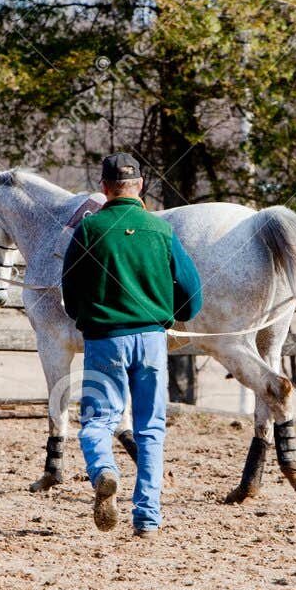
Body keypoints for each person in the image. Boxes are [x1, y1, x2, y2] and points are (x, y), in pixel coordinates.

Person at [61, 154, 203, 538]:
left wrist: (84, 318)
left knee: (97, 422)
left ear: (104, 187)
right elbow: (192, 291)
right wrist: (174, 313)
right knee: (150, 428)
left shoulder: (89, 231)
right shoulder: (161, 231)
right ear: (140, 186)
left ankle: (105, 469)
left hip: (105, 340)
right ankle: (148, 518)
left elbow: (69, 290)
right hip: (152, 341)